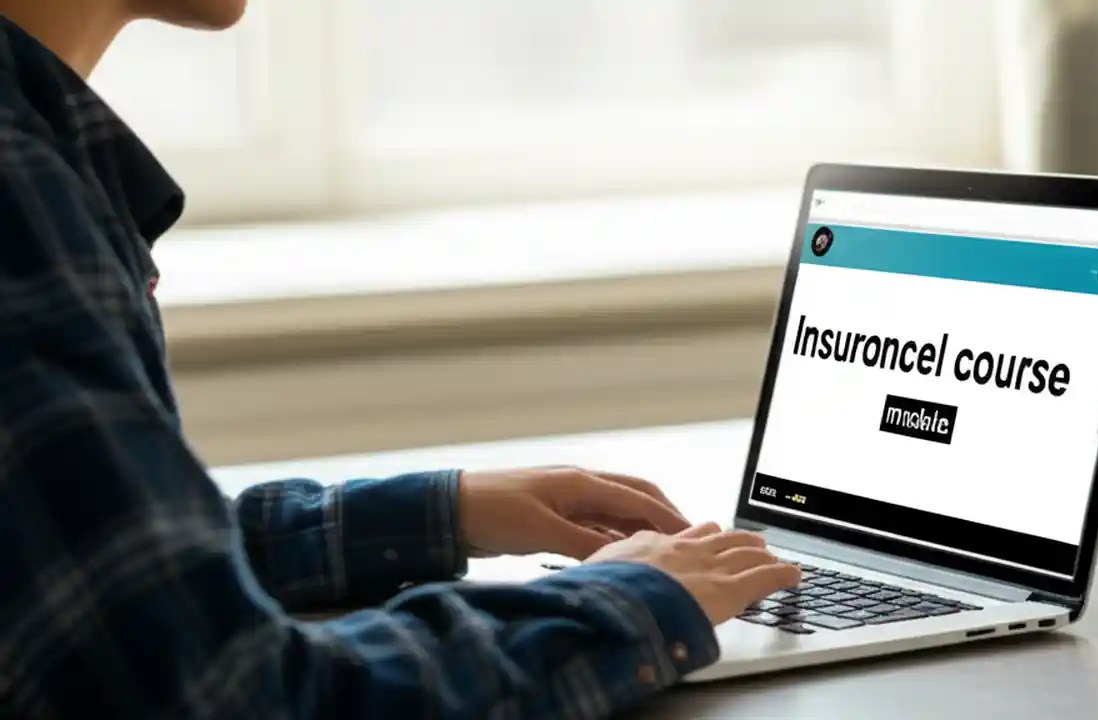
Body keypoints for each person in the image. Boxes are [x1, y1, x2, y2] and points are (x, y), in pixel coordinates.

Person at [0, 1, 802, 717]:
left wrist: (427, 513)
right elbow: (229, 690)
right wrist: (630, 601)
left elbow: (83, 568)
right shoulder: (19, 195)